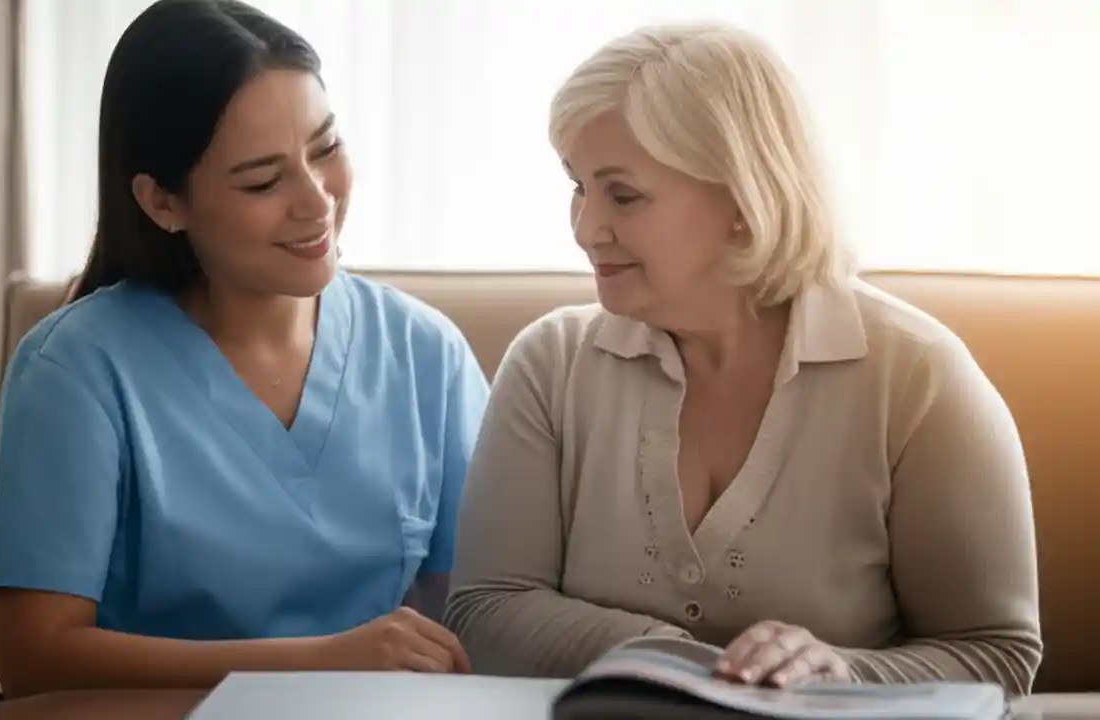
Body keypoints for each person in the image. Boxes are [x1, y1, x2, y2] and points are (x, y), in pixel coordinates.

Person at [444, 23, 1041, 694]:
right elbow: (486, 612)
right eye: (578, 186)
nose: (585, 229)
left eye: (623, 194)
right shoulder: (549, 364)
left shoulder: (919, 376)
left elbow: (997, 653)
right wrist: (686, 667)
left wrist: (837, 672)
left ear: (741, 198)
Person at [0, 0, 487, 698]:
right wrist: (322, 663)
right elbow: (34, 656)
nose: (317, 202)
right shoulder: (77, 369)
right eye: (263, 180)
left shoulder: (425, 353)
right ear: (162, 202)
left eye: (327, 148)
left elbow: (478, 609)